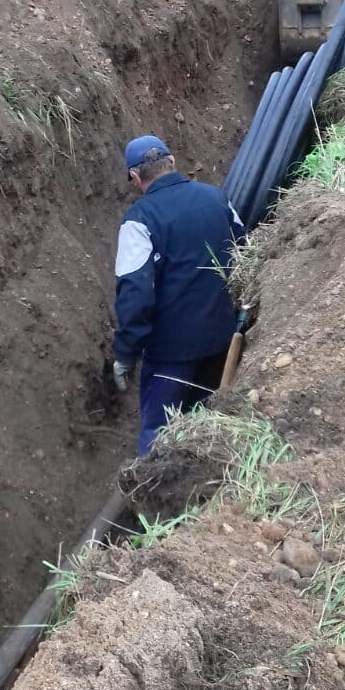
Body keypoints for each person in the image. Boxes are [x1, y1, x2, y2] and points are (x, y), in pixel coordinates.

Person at [112, 135, 244, 456]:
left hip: (170, 354)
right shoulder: (217, 198)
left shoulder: (138, 221)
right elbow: (245, 251)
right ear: (172, 161)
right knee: (208, 423)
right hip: (221, 341)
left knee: (158, 435)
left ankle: (154, 489)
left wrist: (126, 354)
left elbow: (135, 296)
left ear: (135, 176)